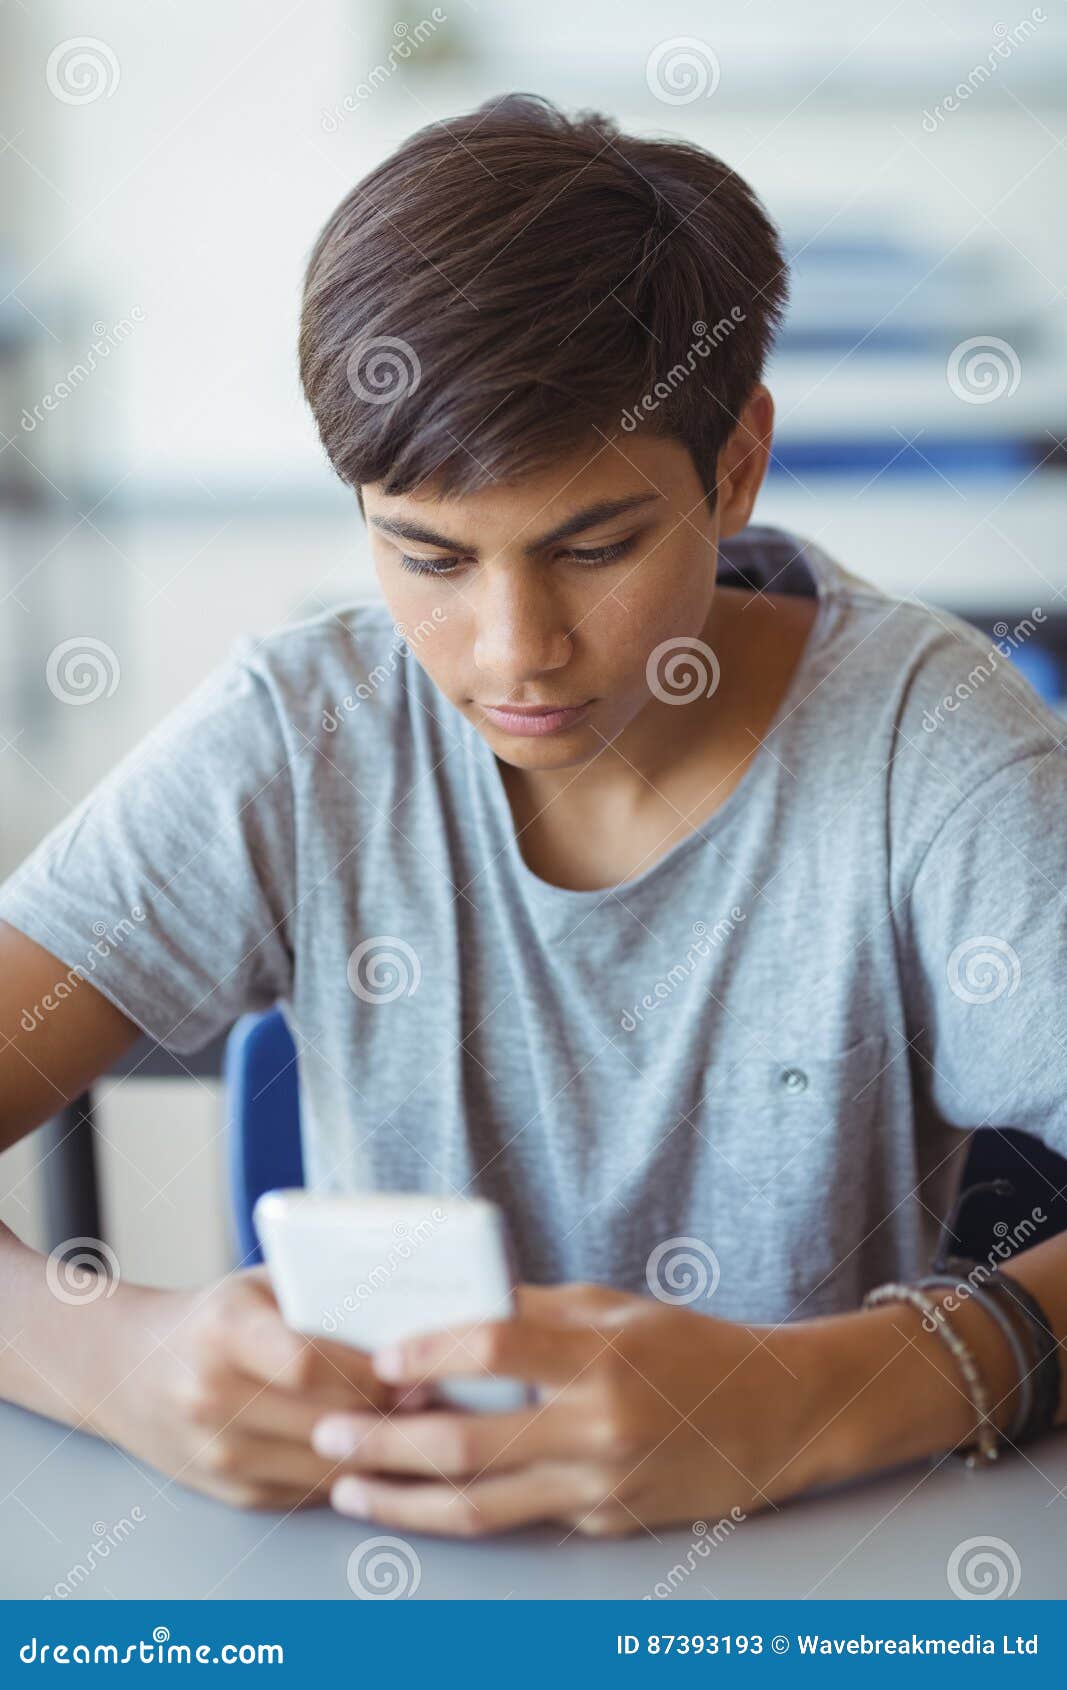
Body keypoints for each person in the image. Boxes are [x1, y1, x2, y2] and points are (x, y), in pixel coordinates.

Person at [0, 93, 1063, 1539]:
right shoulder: (302, 732)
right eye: (425, 554)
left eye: (597, 546)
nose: (512, 651)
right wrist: (106, 1355)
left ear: (737, 465)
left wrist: (819, 1394)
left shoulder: (924, 748)